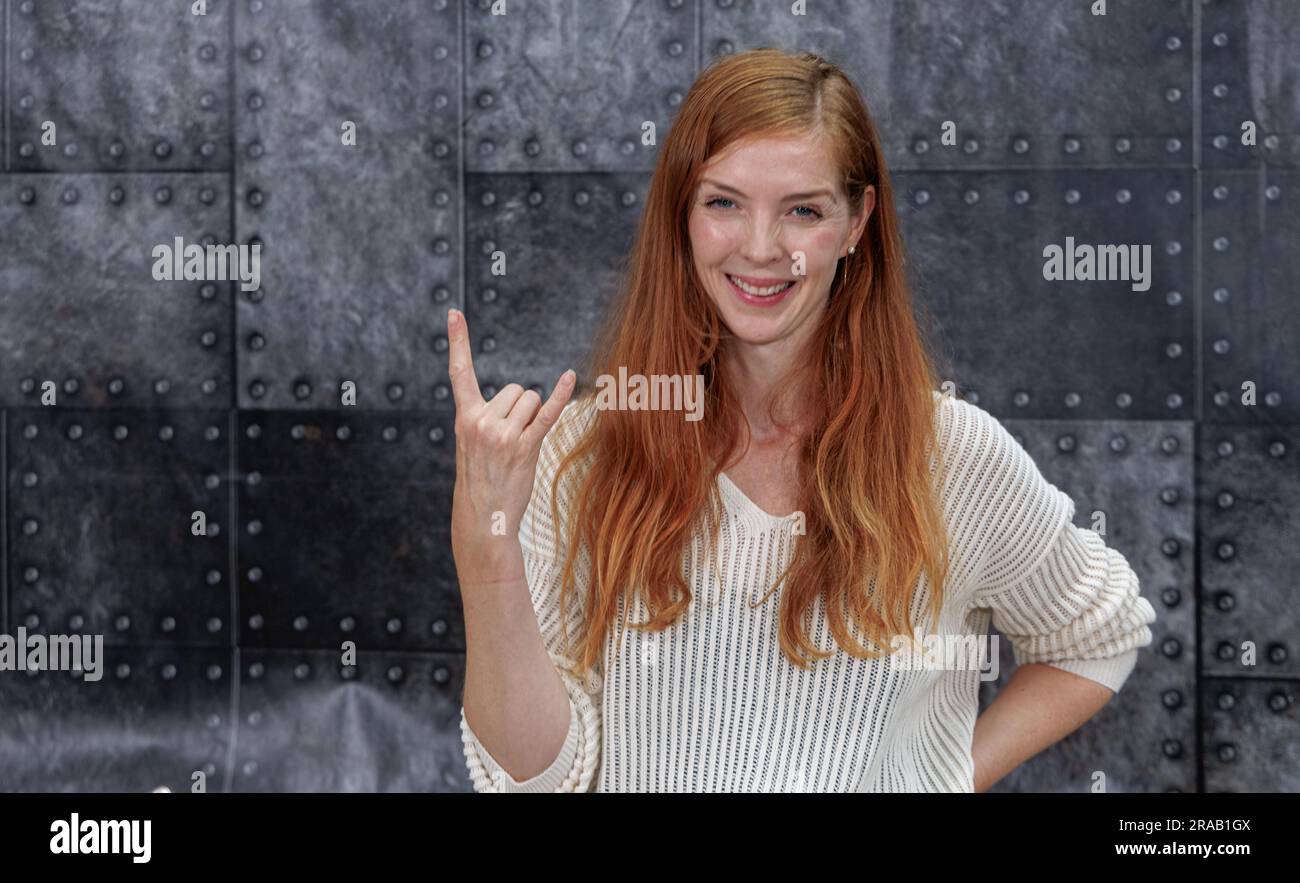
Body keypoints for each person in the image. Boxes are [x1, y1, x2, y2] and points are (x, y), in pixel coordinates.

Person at [449, 48, 1156, 792]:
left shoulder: (953, 455)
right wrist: (484, 549)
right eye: (723, 203)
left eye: (803, 211)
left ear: (857, 223)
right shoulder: (584, 451)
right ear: (681, 215)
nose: (760, 248)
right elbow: (537, 777)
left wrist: (943, 780)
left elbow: (1096, 634)